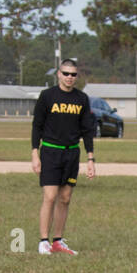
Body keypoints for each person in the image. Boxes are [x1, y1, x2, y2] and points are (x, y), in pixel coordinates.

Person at [31, 59, 96, 255]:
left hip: (71, 153)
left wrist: (90, 159)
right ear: (59, 74)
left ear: (77, 77)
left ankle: (58, 241)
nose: (69, 77)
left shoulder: (82, 99)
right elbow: (37, 126)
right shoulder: (47, 96)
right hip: (50, 151)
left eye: (73, 74)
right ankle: (44, 241)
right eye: (66, 73)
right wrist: (35, 153)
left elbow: (87, 130)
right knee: (50, 196)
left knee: (65, 198)